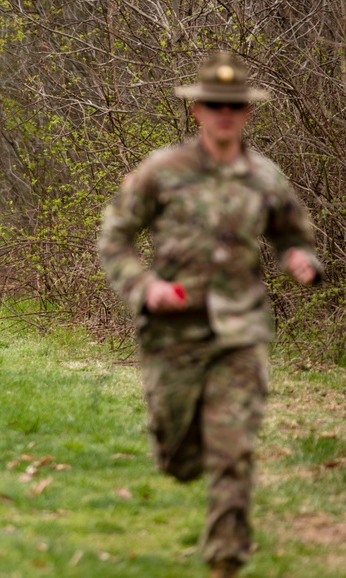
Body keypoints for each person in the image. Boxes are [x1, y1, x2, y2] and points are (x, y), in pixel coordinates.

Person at [98, 51, 322, 578]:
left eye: (235, 106)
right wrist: (144, 285)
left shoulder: (264, 177)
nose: (225, 113)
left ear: (247, 113)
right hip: (173, 333)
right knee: (181, 458)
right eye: (215, 105)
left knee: (234, 449)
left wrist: (299, 258)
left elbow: (293, 232)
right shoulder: (162, 170)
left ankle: (225, 561)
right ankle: (174, 448)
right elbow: (115, 239)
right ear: (197, 110)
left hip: (241, 329)